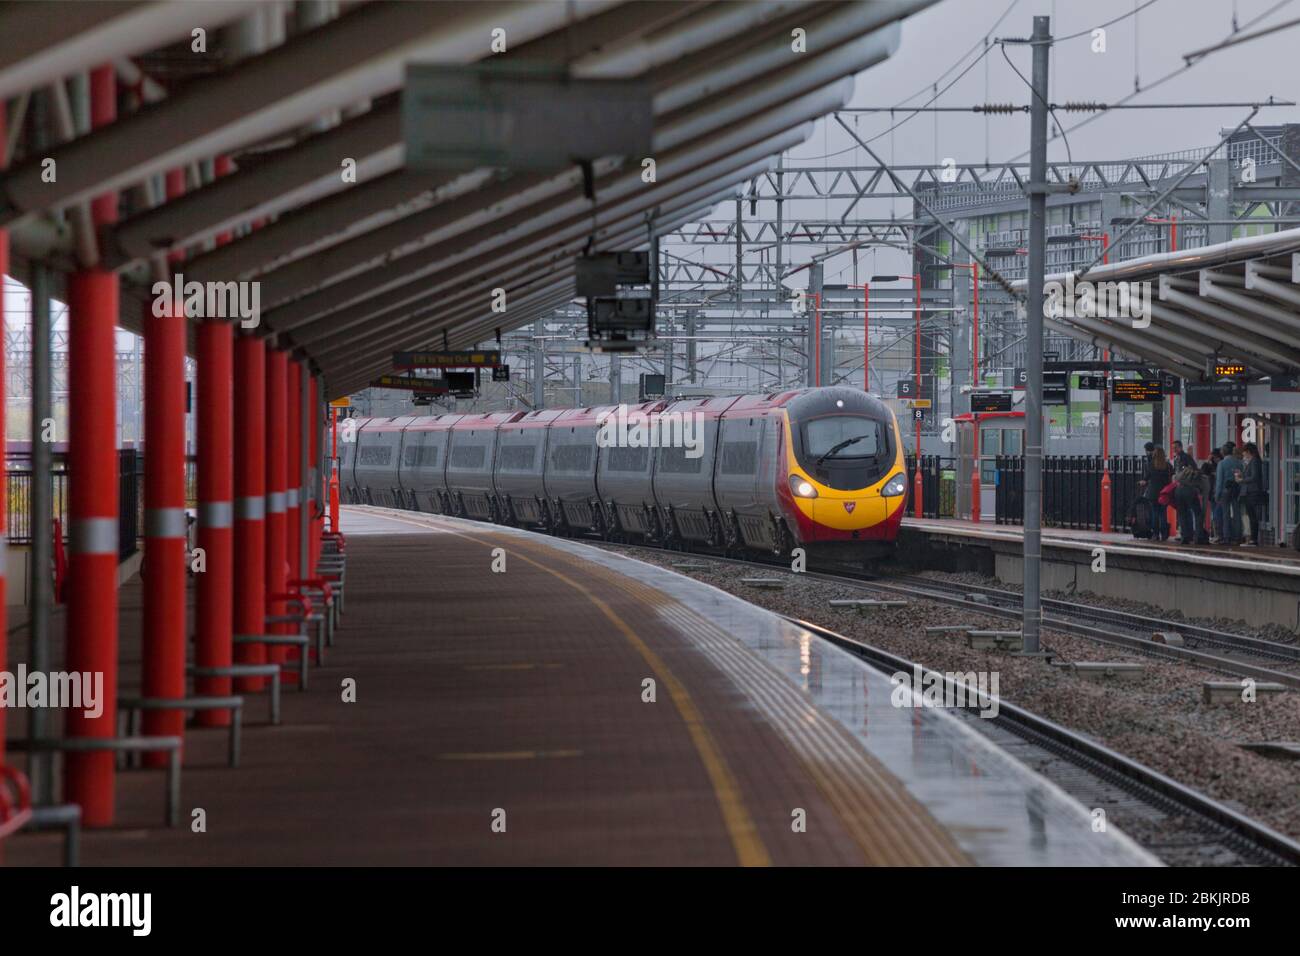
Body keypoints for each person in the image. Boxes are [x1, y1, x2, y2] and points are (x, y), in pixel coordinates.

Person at [1142, 446, 1173, 541]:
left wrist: (1143, 482)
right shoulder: (1168, 466)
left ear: (1154, 454)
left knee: (1155, 513)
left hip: (1153, 493)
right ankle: (1164, 534)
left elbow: (1146, 478)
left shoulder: (1150, 465)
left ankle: (1155, 534)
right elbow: (1171, 477)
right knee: (1163, 513)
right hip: (1164, 493)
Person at [1214, 442, 1241, 544]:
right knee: (1236, 513)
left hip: (1225, 491)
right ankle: (1237, 536)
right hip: (1236, 490)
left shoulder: (1221, 464)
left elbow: (1219, 481)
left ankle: (1227, 536)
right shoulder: (1238, 462)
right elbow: (1240, 477)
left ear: (1224, 452)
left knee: (1226, 514)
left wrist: (1217, 494)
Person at [1239, 442, 1264, 547]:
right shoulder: (1255, 461)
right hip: (1252, 492)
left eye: (1244, 452)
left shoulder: (1254, 461)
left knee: (1253, 516)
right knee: (1252, 516)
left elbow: (1254, 477)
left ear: (1249, 452)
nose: (1244, 455)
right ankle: (1253, 539)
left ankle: (1254, 539)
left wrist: (1242, 479)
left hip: (1252, 492)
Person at [1173, 465, 1204, 545]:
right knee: (1197, 514)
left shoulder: (1181, 474)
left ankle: (1185, 537)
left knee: (1182, 515)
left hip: (1178, 491)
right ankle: (1198, 537)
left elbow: (1175, 479)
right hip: (1190, 491)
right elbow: (1200, 486)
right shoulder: (1196, 474)